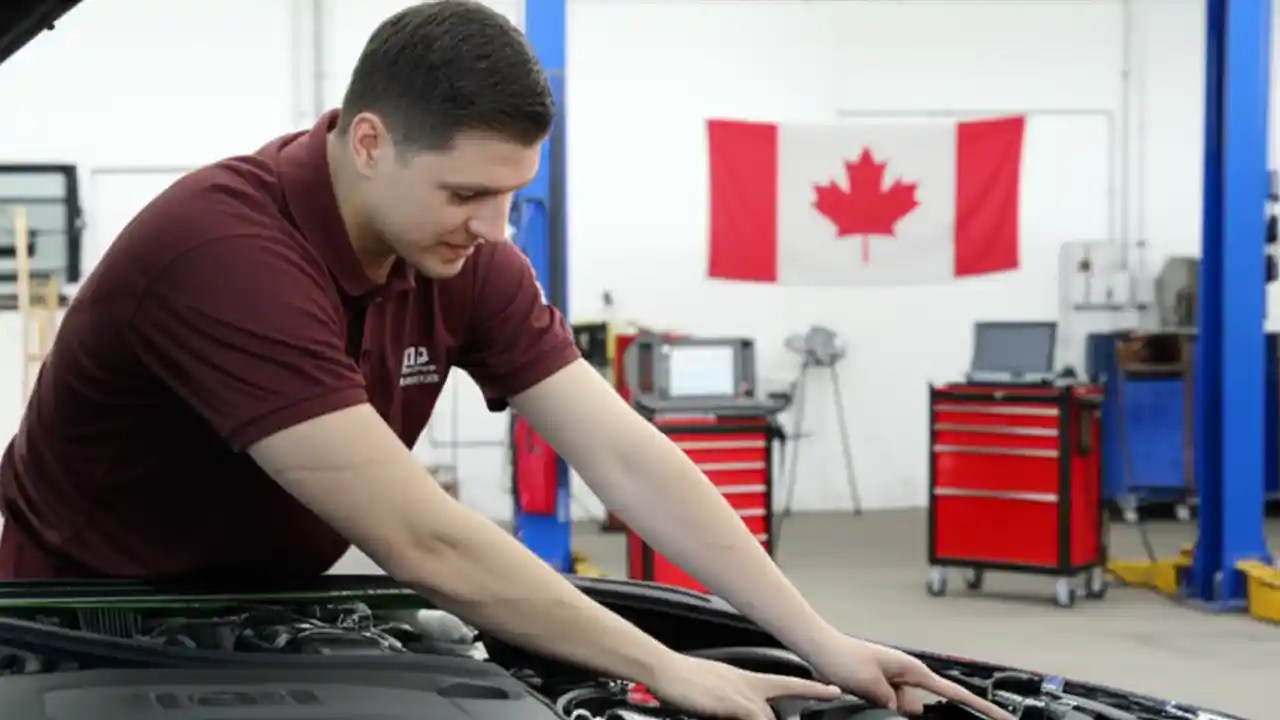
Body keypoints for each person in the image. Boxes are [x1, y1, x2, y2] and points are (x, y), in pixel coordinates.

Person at [0, 3, 1010, 719]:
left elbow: (626, 456)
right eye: (464, 193)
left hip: (268, 608)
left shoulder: (461, 255)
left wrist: (817, 641)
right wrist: (664, 668)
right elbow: (421, 541)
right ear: (367, 142)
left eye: (511, 195)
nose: (492, 227)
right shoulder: (223, 255)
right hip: (78, 621)